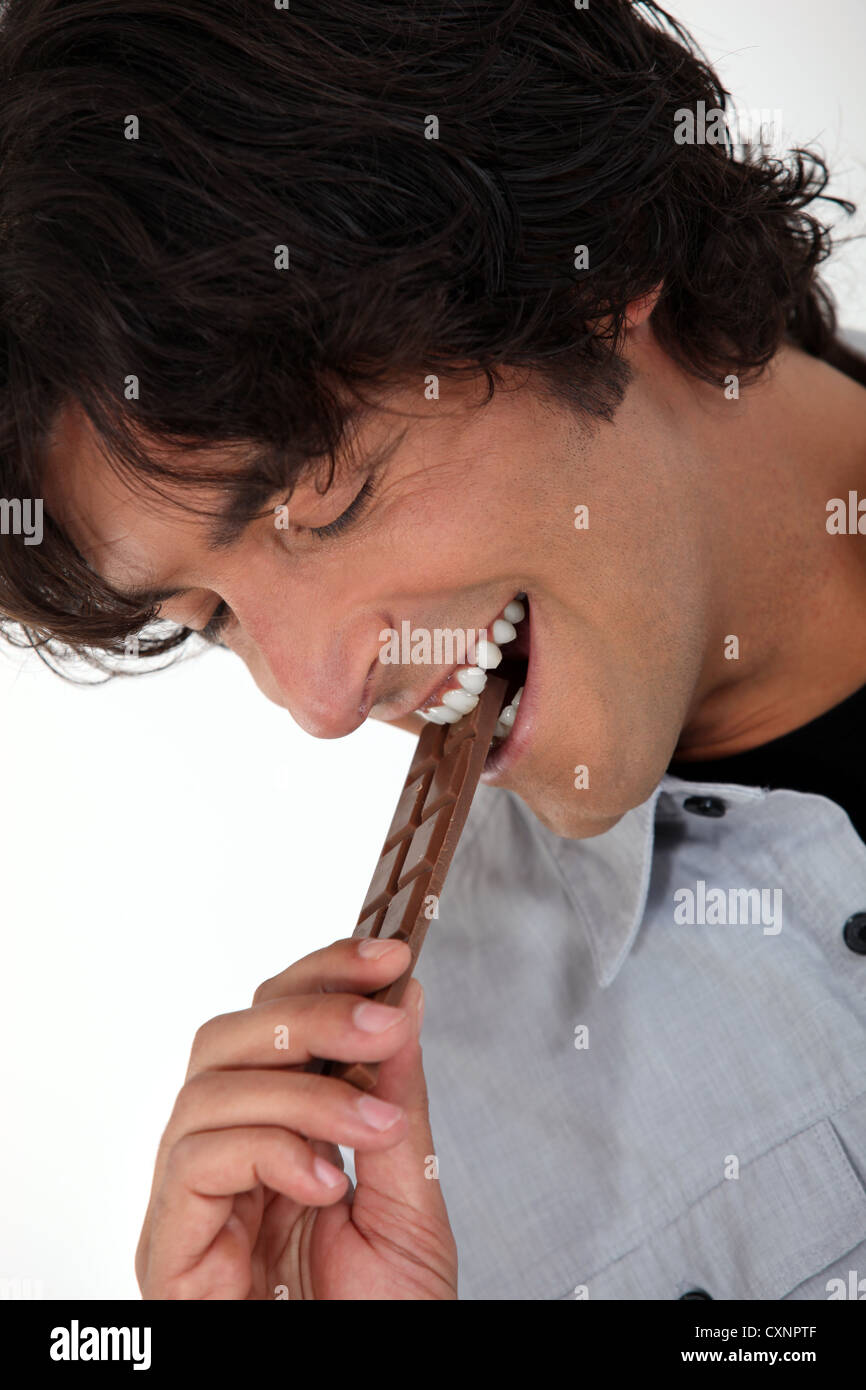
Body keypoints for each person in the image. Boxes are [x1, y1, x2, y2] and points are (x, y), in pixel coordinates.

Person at [2, 0, 865, 1299]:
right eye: (212, 618)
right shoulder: (410, 1180)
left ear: (580, 262)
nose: (318, 698)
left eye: (325, 501)